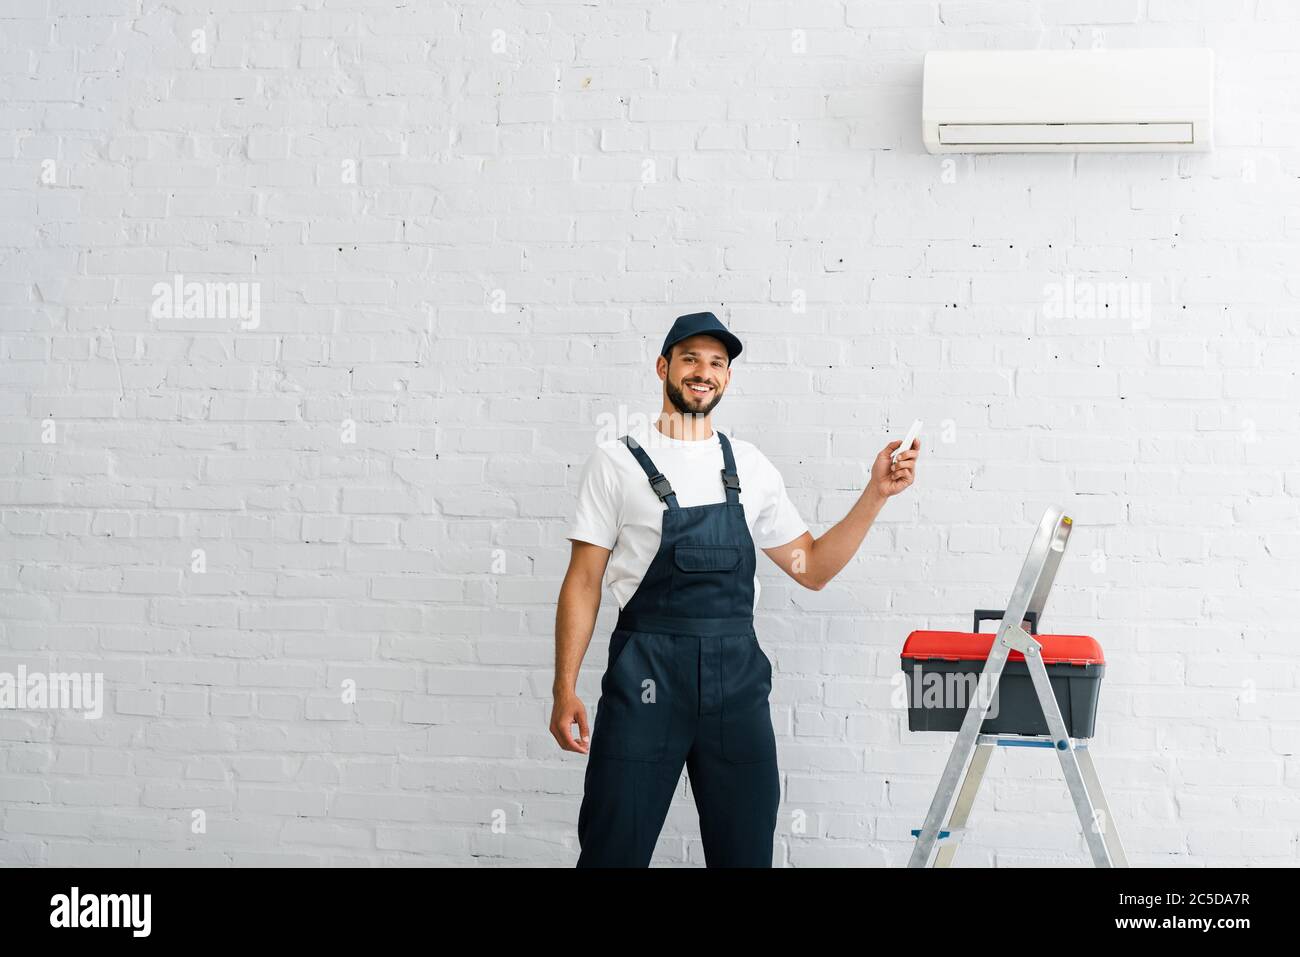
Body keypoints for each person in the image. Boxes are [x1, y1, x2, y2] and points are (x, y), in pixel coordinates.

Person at [551, 310, 920, 866]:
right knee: (612, 852)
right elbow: (583, 580)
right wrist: (564, 687)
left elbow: (812, 568)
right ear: (663, 367)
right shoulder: (616, 463)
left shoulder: (748, 465)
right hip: (645, 676)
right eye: (691, 358)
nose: (704, 371)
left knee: (745, 854)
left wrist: (876, 494)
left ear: (727, 377)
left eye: (717, 362)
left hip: (736, 685)